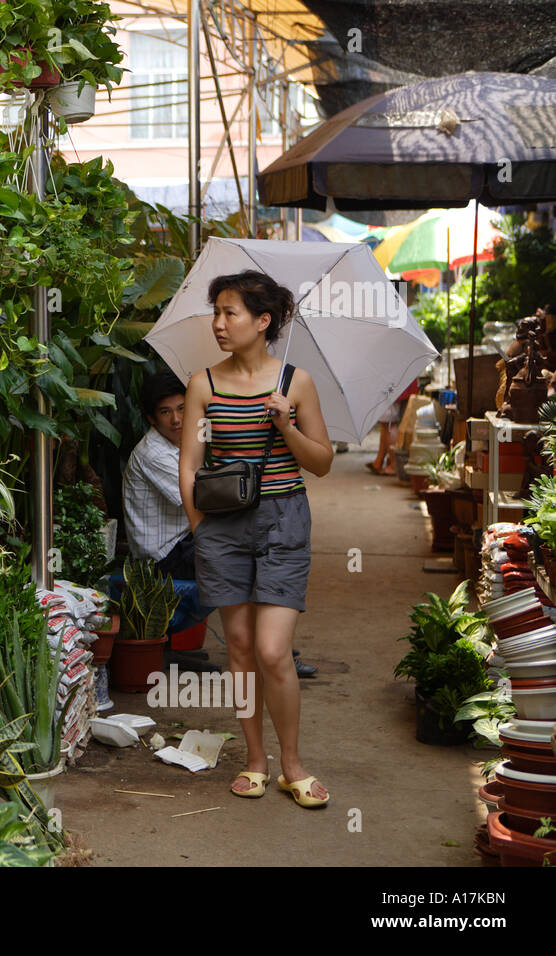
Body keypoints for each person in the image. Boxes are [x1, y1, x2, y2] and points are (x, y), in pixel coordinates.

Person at [178, 270, 333, 808]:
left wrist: (287, 425)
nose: (219, 324)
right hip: (222, 526)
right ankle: (256, 760)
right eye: (216, 312)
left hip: (283, 521)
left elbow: (323, 463)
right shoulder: (203, 384)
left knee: (272, 651)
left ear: (263, 321)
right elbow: (190, 465)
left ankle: (292, 764)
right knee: (240, 650)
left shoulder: (297, 382)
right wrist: (201, 530)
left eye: (231, 313)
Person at [123, 370, 318, 677]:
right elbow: (203, 500)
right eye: (165, 412)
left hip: (183, 543)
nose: (176, 419)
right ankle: (275, 655)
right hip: (166, 556)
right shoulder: (153, 453)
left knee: (252, 551)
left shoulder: (180, 443)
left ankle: (273, 651)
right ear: (151, 419)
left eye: (181, 408)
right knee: (248, 563)